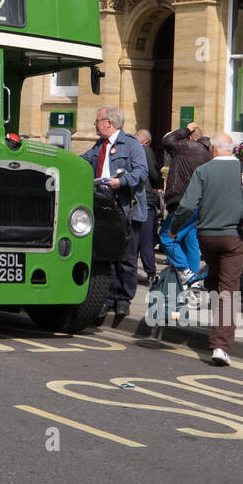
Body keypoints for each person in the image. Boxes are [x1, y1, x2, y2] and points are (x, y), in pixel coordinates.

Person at [169, 132, 243, 367]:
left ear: (213, 149)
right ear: (231, 148)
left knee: (216, 281)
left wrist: (174, 228)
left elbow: (186, 205)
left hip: (207, 238)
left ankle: (216, 323)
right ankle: (220, 346)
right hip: (234, 240)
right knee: (228, 290)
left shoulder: (203, 171)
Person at [81, 106, 148, 322]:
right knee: (105, 255)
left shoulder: (131, 144)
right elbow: (81, 161)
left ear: (109, 123)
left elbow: (141, 172)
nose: (95, 124)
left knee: (127, 257)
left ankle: (123, 300)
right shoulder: (99, 146)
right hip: (102, 205)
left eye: (98, 120)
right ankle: (107, 299)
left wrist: (121, 181)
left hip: (125, 207)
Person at [160, 121, 212, 284]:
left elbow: (167, 141)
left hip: (182, 201)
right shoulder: (206, 152)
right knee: (191, 239)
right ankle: (194, 278)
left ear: (189, 137)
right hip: (197, 203)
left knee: (167, 238)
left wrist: (185, 129)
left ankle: (185, 270)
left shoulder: (188, 147)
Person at [134, 129, 163, 285]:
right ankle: (150, 273)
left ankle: (131, 272)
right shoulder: (145, 150)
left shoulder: (131, 150)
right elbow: (154, 175)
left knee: (134, 239)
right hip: (146, 200)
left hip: (134, 200)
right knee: (146, 239)